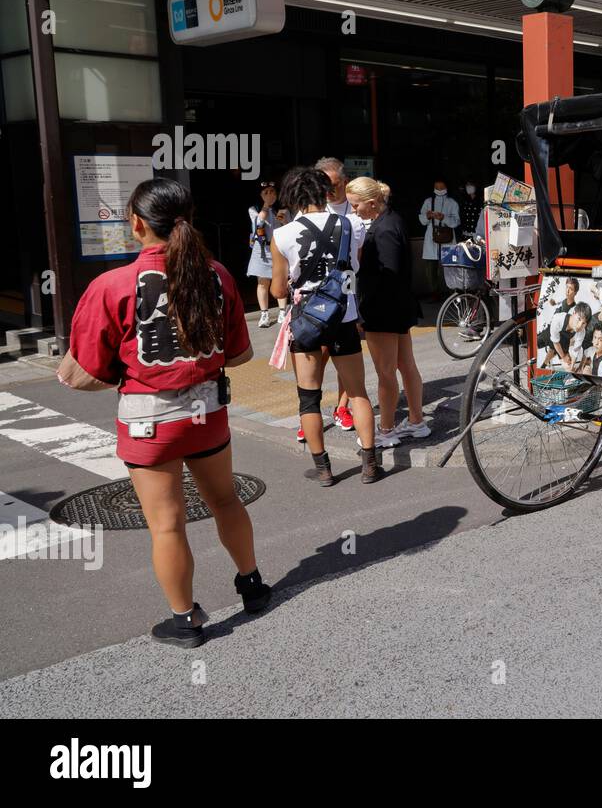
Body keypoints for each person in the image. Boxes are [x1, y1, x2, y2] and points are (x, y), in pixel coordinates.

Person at [57, 178, 270, 648]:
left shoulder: (111, 285)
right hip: (208, 415)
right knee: (226, 501)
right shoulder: (217, 275)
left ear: (136, 224)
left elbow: (81, 374)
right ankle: (252, 585)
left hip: (149, 423)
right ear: (188, 219)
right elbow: (238, 354)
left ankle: (186, 621)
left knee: (167, 524)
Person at [272, 165, 383, 486]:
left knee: (309, 398)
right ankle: (370, 465)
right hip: (344, 318)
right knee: (359, 392)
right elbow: (355, 267)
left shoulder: (282, 234)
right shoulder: (349, 224)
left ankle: (324, 469)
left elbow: (278, 290)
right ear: (325, 192)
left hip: (307, 324)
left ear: (293, 196)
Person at [347, 176, 429, 449]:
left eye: (356, 205)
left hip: (383, 311)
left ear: (372, 203)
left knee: (386, 373)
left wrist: (364, 311)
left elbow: (387, 275)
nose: (354, 210)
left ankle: (386, 428)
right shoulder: (392, 221)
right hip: (398, 307)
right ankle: (416, 421)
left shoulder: (382, 230)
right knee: (406, 366)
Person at [314, 157, 355, 434]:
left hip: (350, 296)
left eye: (335, 184)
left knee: (347, 357)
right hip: (319, 298)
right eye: (324, 184)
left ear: (345, 182)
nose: (329, 190)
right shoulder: (312, 211)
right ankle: (309, 411)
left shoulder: (357, 209)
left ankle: (343, 407)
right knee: (318, 355)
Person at [247, 179, 288, 328]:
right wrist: (265, 205)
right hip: (262, 248)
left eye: (272, 192)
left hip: (279, 248)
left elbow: (290, 227)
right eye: (266, 192)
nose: (270, 195)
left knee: (281, 280)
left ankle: (282, 311)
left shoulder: (282, 209)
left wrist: (284, 221)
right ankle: (264, 313)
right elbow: (258, 223)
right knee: (263, 282)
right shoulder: (254, 208)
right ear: (260, 194)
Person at [419, 179, 460, 300]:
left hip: (448, 237)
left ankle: (453, 293)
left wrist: (443, 218)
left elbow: (456, 222)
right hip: (432, 237)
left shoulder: (452, 203)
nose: (440, 191)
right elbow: (421, 219)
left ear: (447, 188)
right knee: (430, 268)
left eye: (442, 188)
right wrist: (427, 216)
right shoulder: (428, 201)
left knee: (450, 267)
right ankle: (434, 293)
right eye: (437, 188)